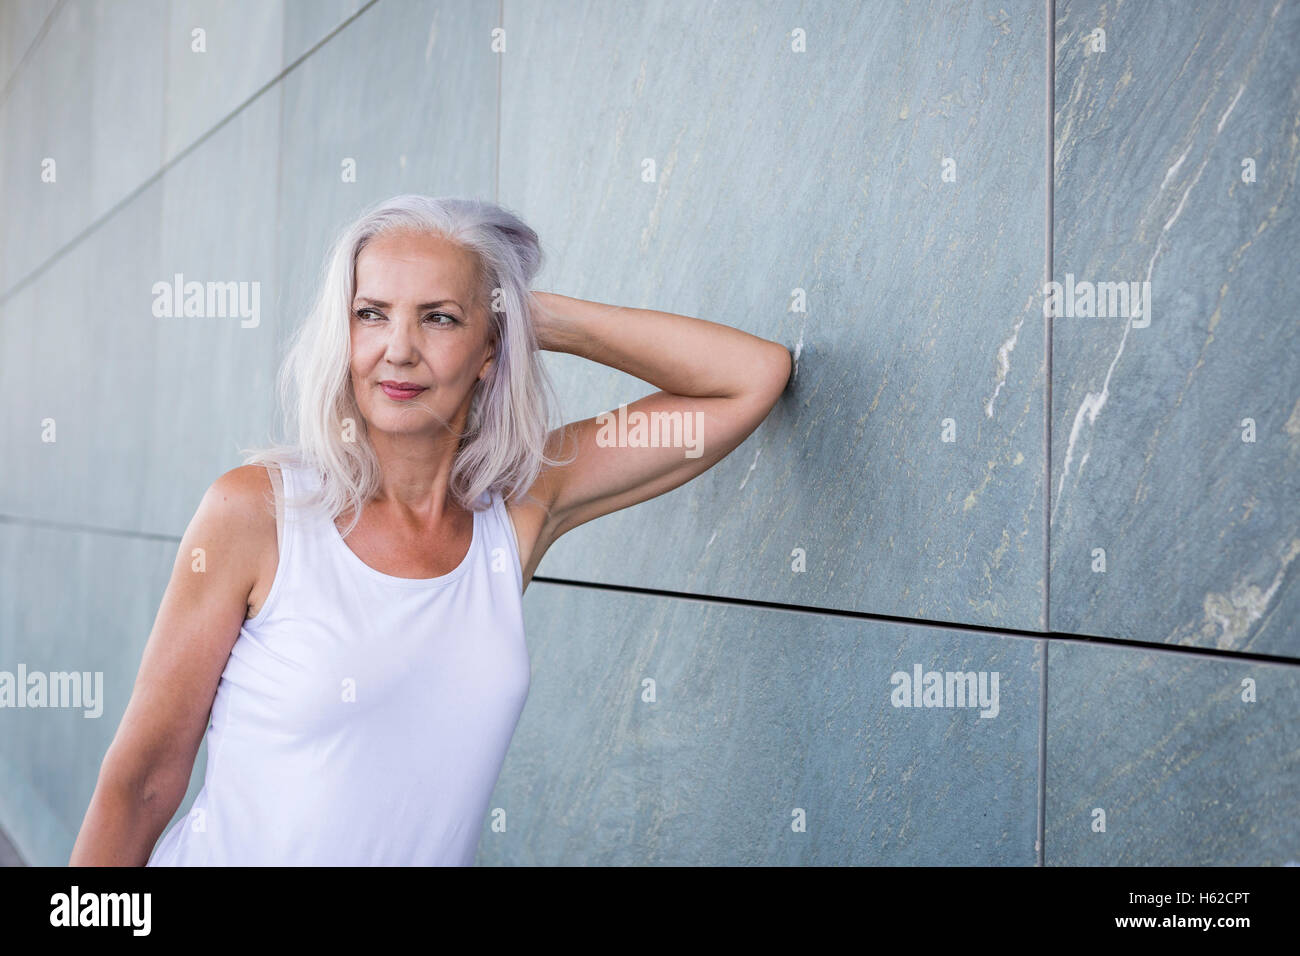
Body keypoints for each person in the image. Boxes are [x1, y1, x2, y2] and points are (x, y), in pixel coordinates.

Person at [68, 194, 792, 865]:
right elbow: (142, 785)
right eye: (372, 313)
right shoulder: (257, 512)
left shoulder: (516, 515)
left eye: (439, 317)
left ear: (488, 353)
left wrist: (535, 319)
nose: (400, 348)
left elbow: (750, 377)